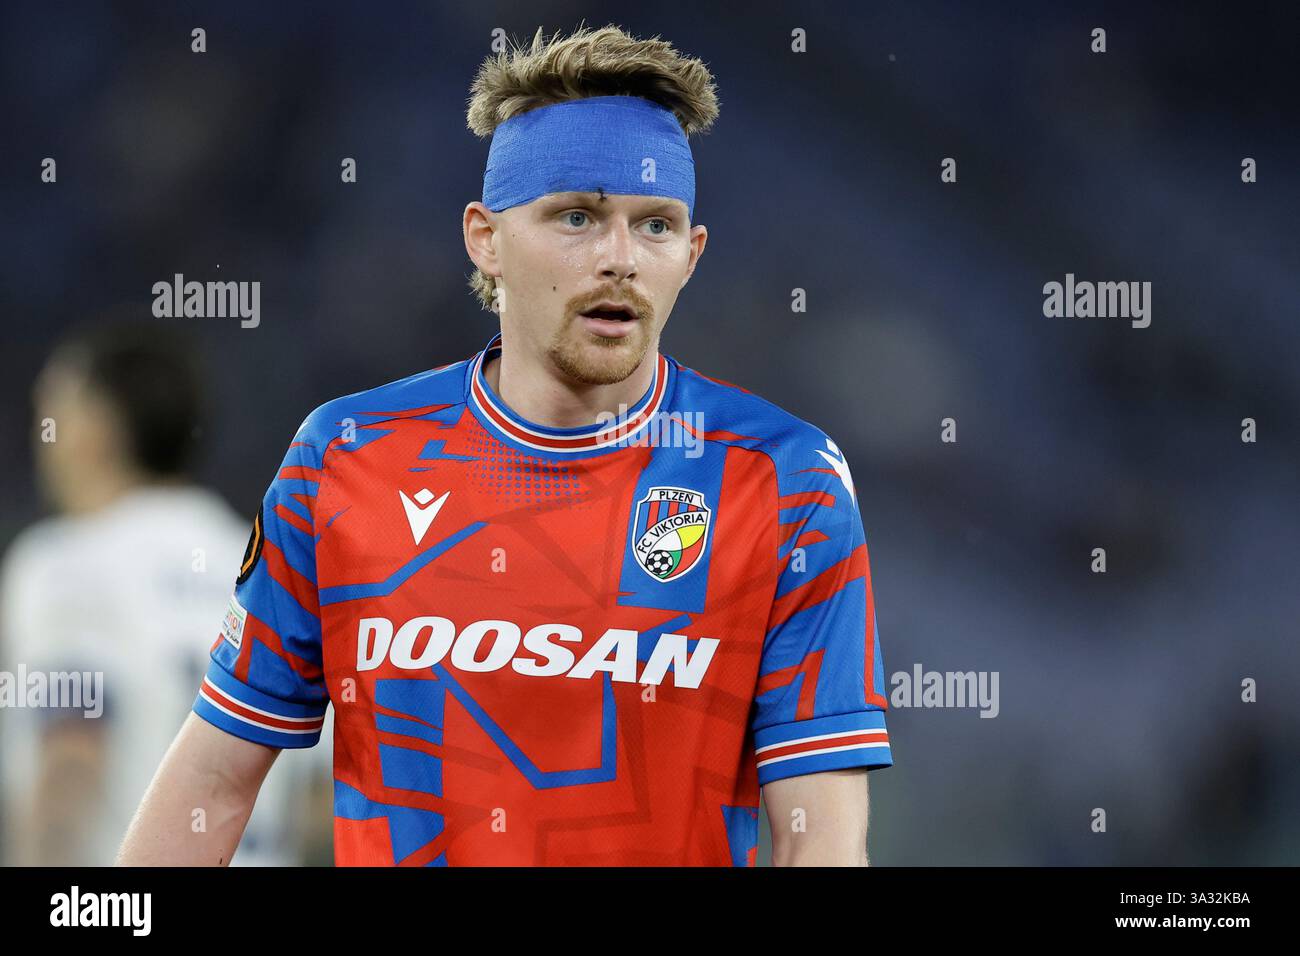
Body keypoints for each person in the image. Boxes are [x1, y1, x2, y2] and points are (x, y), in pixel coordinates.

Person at [118, 23, 892, 867]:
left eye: (657, 226)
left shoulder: (784, 483)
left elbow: (820, 839)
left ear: (693, 253)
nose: (621, 259)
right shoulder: (344, 457)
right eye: (577, 217)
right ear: (485, 237)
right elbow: (215, 781)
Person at [0, 319, 329, 866]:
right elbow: (321, 796)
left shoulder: (65, 564)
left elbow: (72, 755)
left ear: (96, 427)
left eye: (53, 407)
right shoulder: (267, 561)